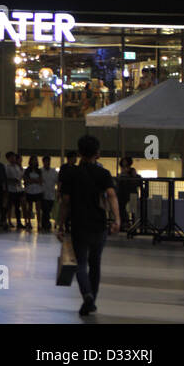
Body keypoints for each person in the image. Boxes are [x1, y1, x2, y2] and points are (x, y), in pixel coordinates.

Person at [57, 135, 120, 316]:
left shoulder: (71, 174)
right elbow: (111, 195)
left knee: (81, 264)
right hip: (99, 224)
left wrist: (60, 224)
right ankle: (92, 298)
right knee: (96, 262)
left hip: (79, 224)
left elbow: (65, 202)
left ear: (79, 153)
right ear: (98, 154)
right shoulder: (103, 174)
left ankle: (87, 295)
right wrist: (117, 219)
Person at [115, 156, 142, 231]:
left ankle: (129, 223)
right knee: (123, 208)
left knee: (130, 209)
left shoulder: (131, 172)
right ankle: (126, 223)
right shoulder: (125, 173)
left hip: (129, 194)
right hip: (124, 194)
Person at [5, 152, 26, 230]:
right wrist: (12, 180)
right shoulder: (7, 167)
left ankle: (19, 222)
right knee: (9, 206)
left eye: (14, 157)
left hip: (18, 189)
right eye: (11, 157)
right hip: (10, 189)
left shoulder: (18, 167)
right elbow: (6, 178)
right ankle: (8, 221)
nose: (13, 159)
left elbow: (21, 176)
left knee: (17, 207)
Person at [38, 155, 58, 232]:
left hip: (51, 194)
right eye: (46, 161)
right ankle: (46, 223)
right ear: (43, 162)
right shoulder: (40, 171)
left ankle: (45, 223)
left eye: (48, 161)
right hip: (43, 194)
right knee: (45, 209)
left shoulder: (54, 172)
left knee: (48, 210)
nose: (47, 163)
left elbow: (57, 181)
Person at [23, 155, 43, 230]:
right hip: (29, 191)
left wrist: (32, 180)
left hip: (38, 191)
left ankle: (39, 223)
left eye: (35, 160)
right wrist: (35, 180)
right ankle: (28, 222)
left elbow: (40, 181)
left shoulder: (39, 170)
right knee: (29, 208)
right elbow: (26, 180)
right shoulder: (27, 170)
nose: (34, 162)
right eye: (33, 160)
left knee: (38, 209)